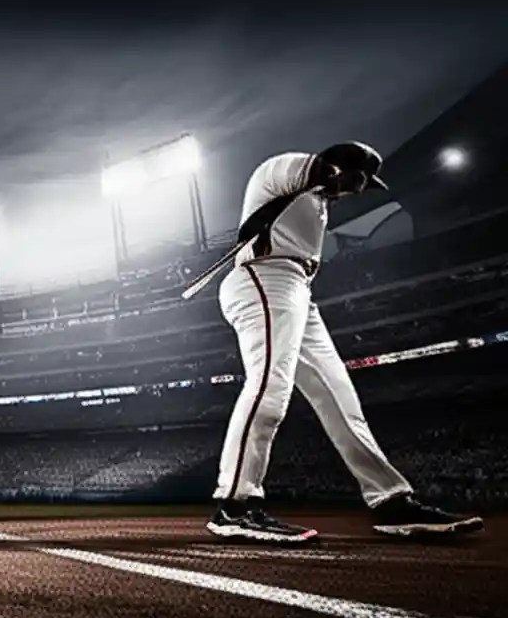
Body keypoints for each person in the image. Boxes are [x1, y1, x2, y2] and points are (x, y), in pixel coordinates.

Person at [207, 141, 484, 543]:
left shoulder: (319, 203)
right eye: (357, 180)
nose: (356, 191)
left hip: (297, 287)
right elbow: (304, 171)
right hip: (263, 276)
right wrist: (332, 173)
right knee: (269, 388)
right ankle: (234, 505)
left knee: (341, 399)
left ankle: (390, 501)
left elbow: (323, 185)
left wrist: (337, 182)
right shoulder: (281, 170)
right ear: (338, 168)